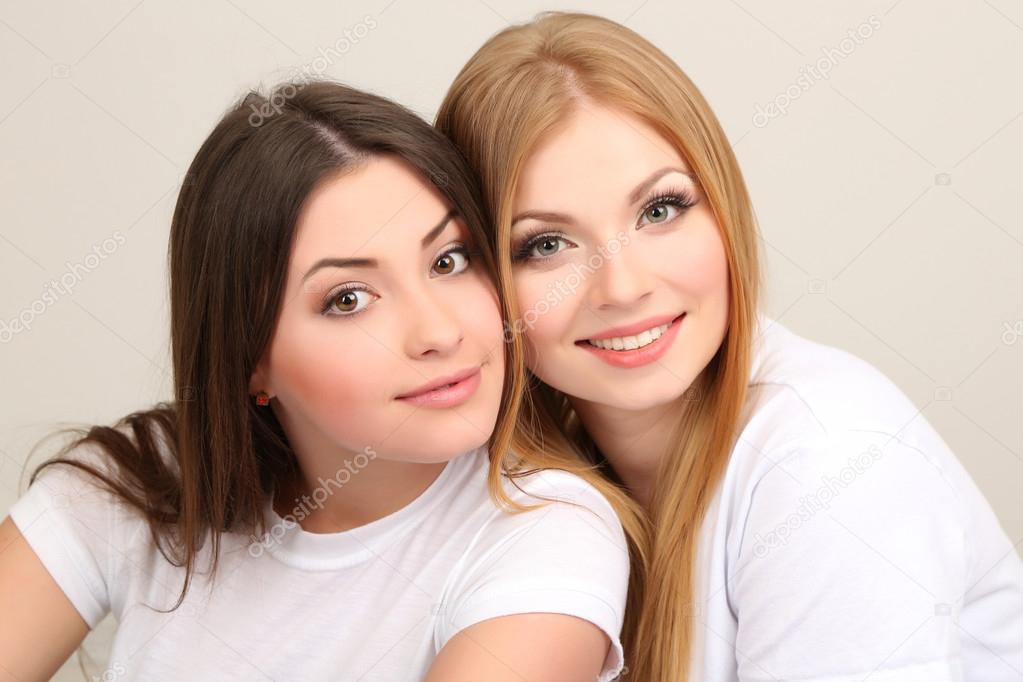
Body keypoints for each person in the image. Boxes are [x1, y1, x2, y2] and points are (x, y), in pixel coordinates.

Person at [436, 11, 1023, 681]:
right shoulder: (525, 484)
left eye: (658, 210)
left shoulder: (830, 458)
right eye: (544, 245)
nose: (623, 288)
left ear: (722, 204)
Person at [0, 80, 631, 681]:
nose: (439, 332)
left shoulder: (543, 532)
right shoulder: (147, 479)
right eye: (350, 298)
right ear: (250, 357)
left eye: (448, 260)